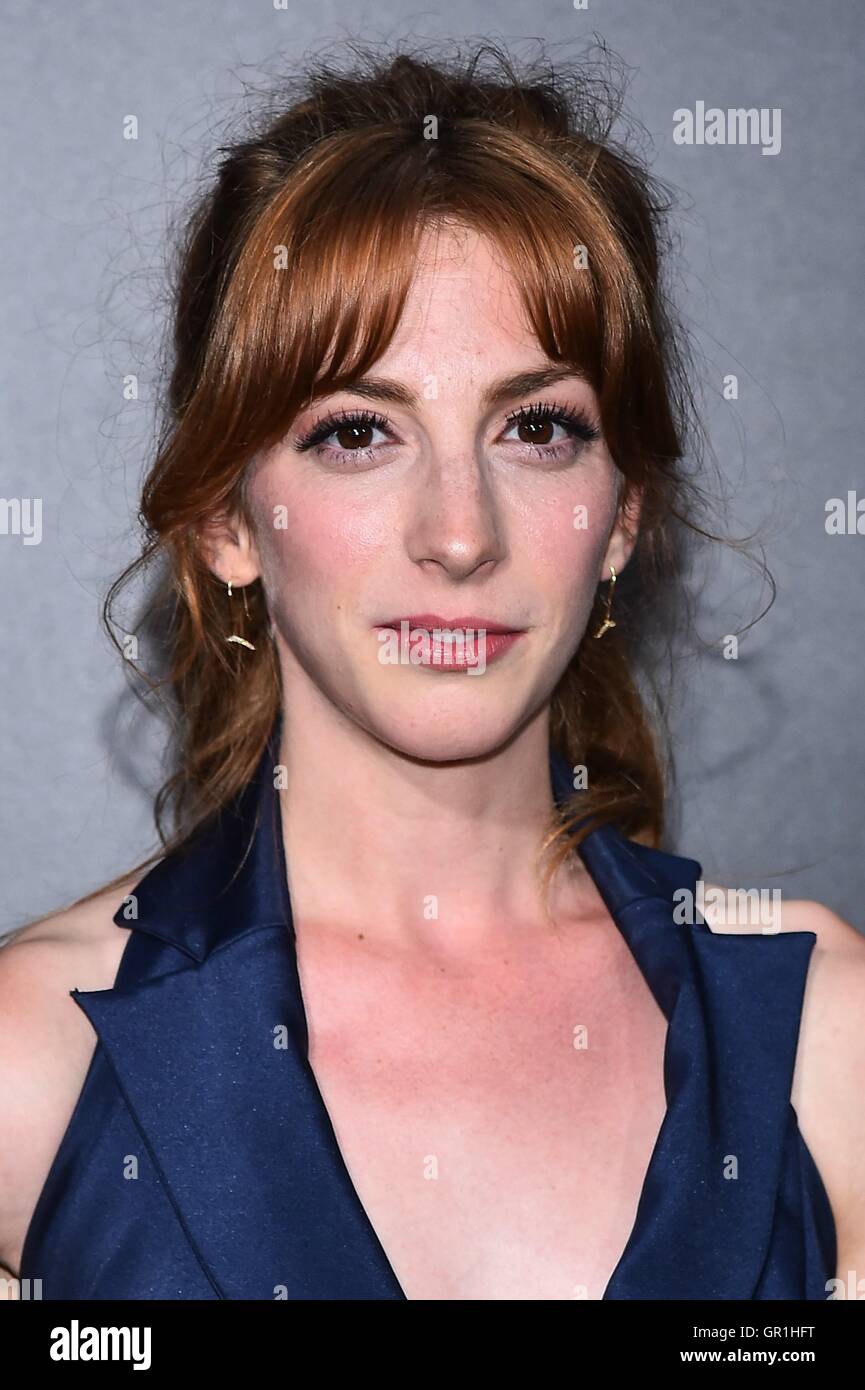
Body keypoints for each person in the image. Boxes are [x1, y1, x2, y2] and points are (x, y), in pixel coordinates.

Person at [1, 41, 863, 1302]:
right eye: (358, 432)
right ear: (225, 521)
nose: (459, 533)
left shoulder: (819, 1038)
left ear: (623, 515)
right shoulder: (33, 1062)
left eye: (537, 428)